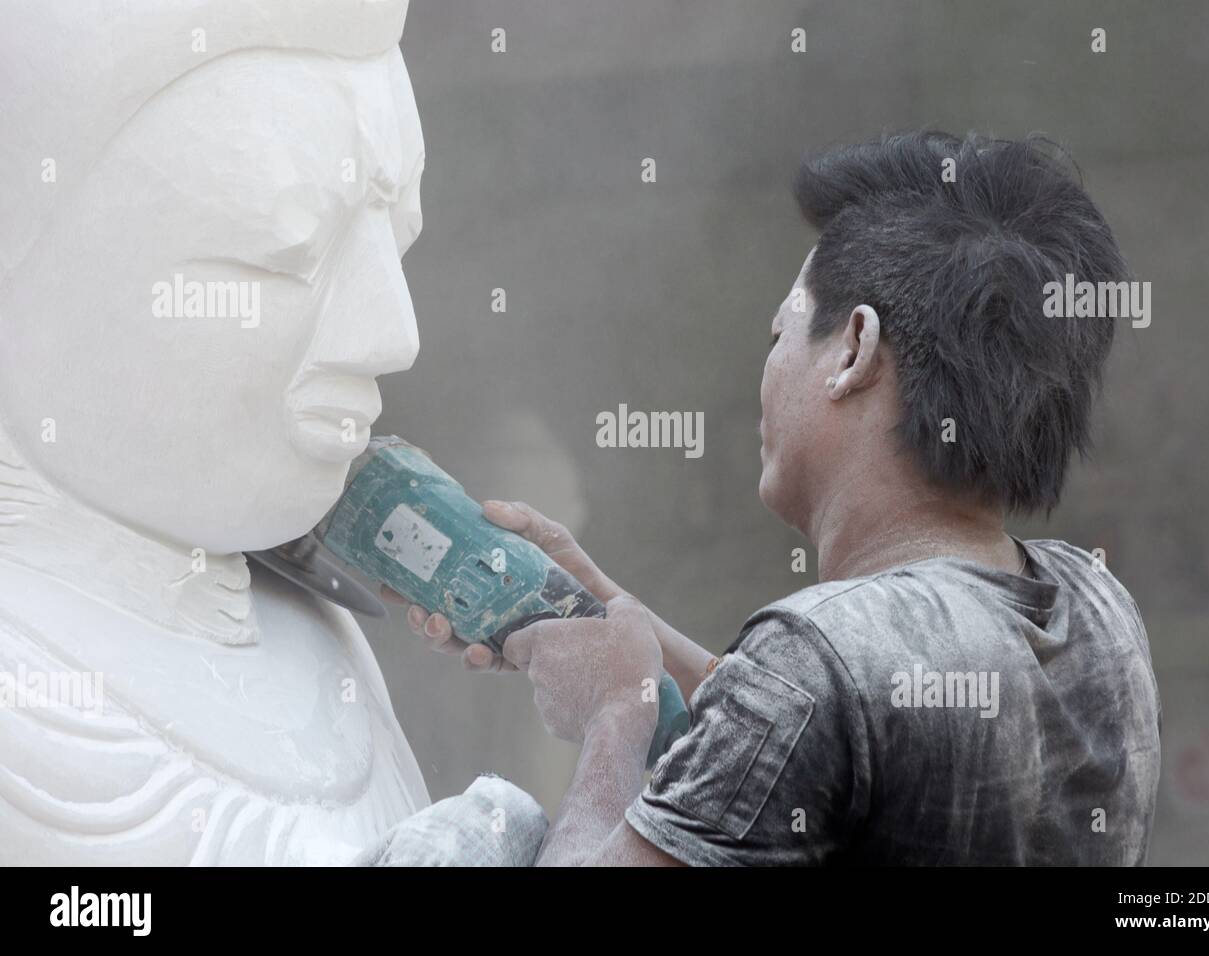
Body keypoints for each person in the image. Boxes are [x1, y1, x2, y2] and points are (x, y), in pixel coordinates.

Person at [397, 131, 1162, 866]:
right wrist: (608, 615)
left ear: (854, 350)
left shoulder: (813, 658)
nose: (767, 370)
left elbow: (814, 701)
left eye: (780, 336)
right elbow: (807, 736)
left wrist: (614, 715)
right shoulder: (1097, 606)